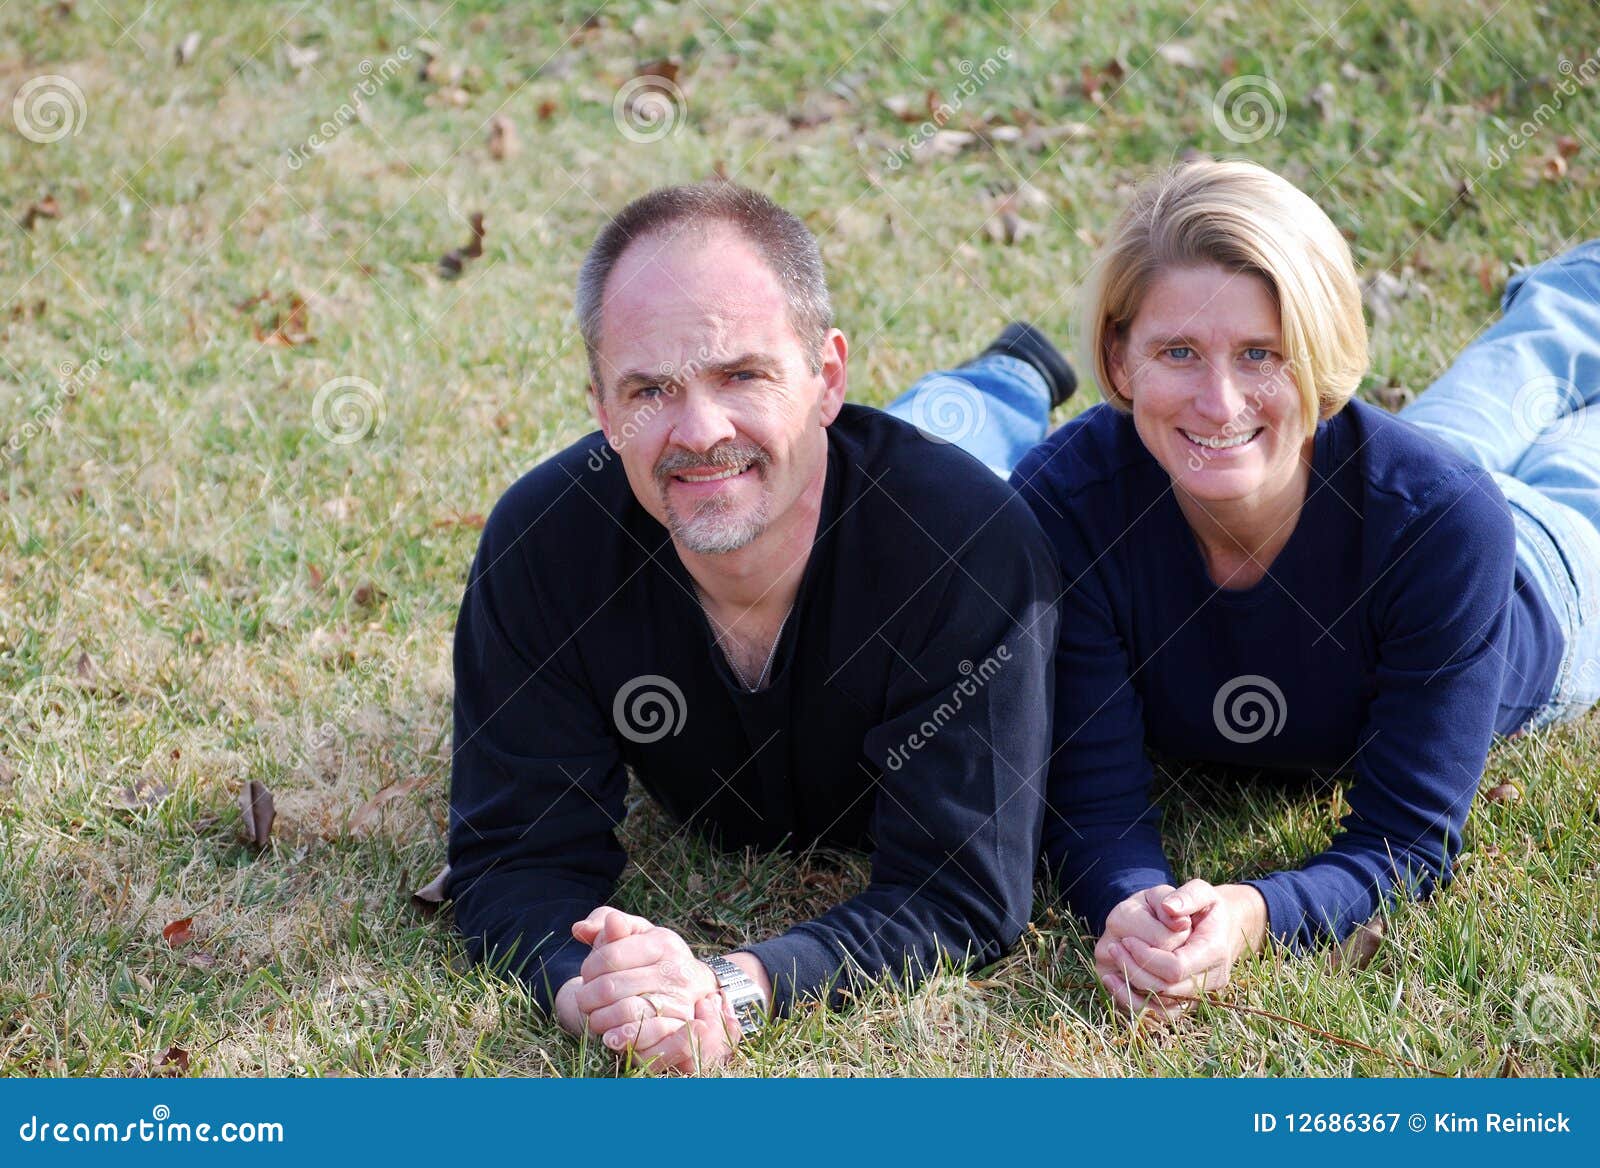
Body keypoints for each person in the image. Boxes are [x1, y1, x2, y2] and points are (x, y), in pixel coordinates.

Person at [896, 158, 1600, 1016]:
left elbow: (1407, 839)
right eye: (1179, 351)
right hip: (1336, 459)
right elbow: (1093, 796)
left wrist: (1254, 914)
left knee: (1563, 443)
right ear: (1119, 359)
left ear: (1319, 352)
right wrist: (1133, 905)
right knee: (1471, 418)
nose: (1219, 399)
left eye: (1262, 352)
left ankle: (1580, 291)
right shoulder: (1066, 506)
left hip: (1544, 567)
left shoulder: (1443, 524)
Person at [444, 181, 1073, 1071]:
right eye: (650, 389)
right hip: (840, 464)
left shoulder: (966, 544)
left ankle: (1009, 378)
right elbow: (513, 858)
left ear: (827, 375)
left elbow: (963, 889)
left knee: (973, 438)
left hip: (932, 476)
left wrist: (738, 986)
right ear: (599, 408)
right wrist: (591, 987)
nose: (699, 430)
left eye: (741, 373)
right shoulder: (542, 544)